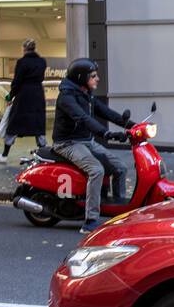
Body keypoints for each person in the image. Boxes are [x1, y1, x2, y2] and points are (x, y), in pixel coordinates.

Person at [52, 58, 134, 234]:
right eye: (93, 76)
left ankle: (118, 214)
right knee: (96, 170)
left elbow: (106, 112)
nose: (97, 79)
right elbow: (83, 118)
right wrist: (105, 133)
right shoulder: (67, 98)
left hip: (85, 141)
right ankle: (90, 221)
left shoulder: (85, 93)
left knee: (120, 167)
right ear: (82, 78)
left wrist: (132, 126)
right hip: (67, 143)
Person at [0, 39, 48, 163]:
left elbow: (17, 82)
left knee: (14, 124)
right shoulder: (42, 62)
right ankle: (44, 156)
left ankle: (4, 155)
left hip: (24, 95)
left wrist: (10, 96)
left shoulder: (22, 62)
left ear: (24, 49)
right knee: (38, 125)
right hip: (38, 95)